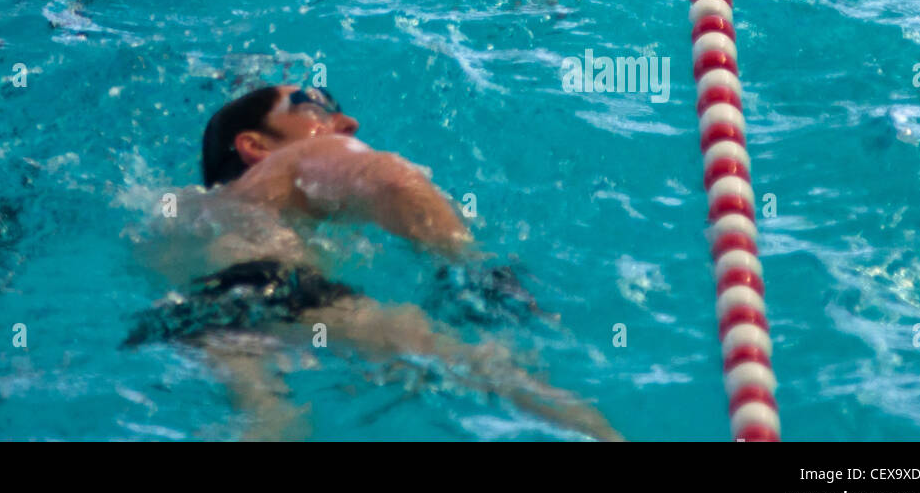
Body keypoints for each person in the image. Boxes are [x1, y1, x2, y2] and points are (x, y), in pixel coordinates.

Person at [126, 83, 620, 442]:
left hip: (184, 319)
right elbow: (390, 178)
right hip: (279, 289)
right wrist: (470, 266)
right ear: (255, 146)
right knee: (493, 370)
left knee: (267, 425)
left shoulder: (175, 207)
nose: (348, 123)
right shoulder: (294, 161)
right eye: (314, 105)